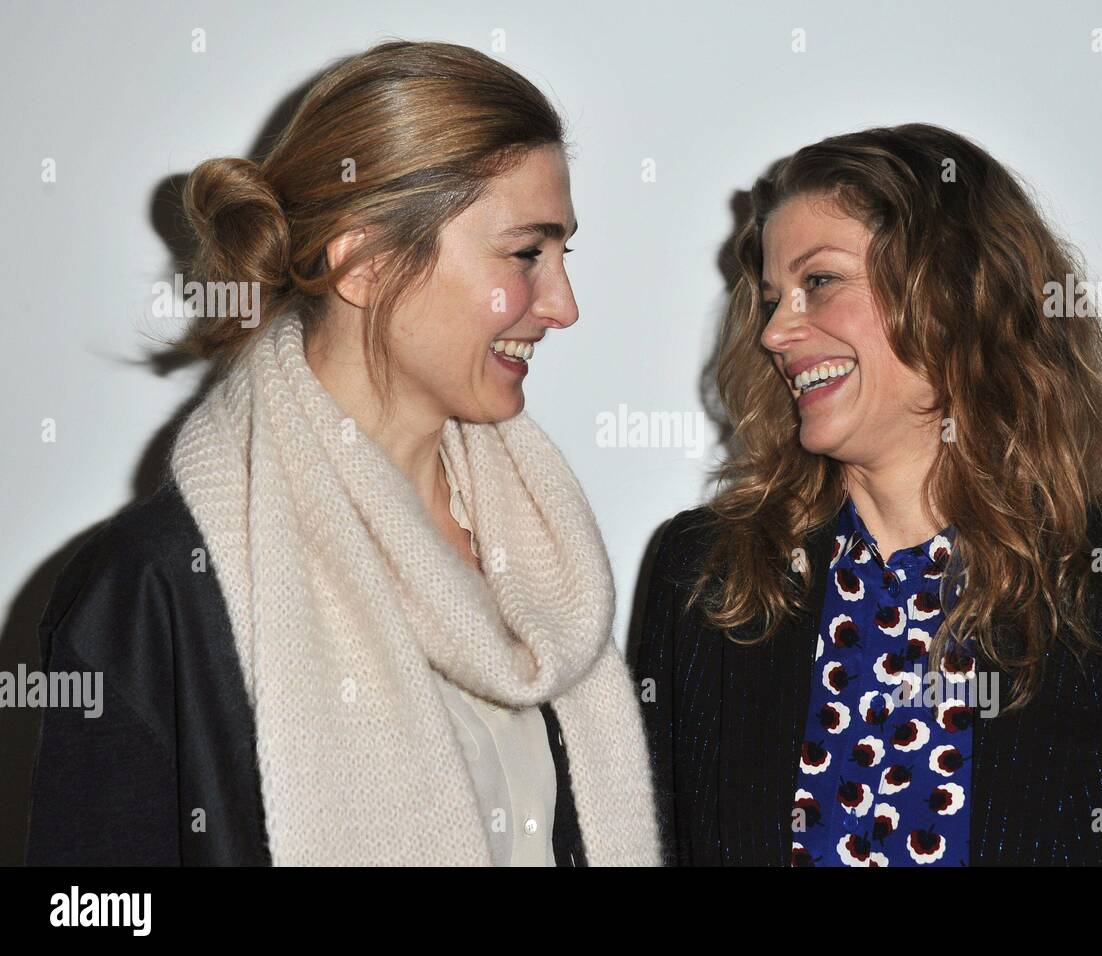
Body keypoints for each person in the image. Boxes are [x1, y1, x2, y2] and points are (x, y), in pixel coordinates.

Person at [26, 40, 660, 867]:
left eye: (562, 253)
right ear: (364, 262)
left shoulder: (541, 554)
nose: (564, 305)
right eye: (524, 254)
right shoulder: (155, 588)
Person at [634, 122, 1102, 866]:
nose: (777, 333)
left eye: (818, 283)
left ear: (955, 295)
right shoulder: (711, 576)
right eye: (771, 298)